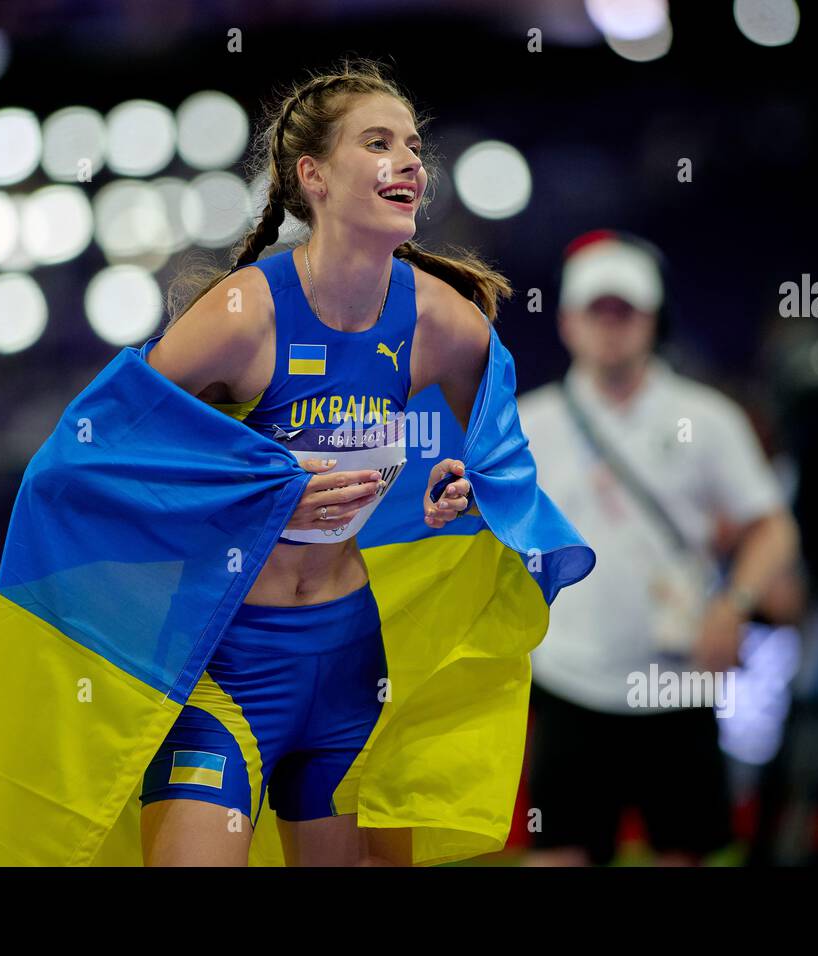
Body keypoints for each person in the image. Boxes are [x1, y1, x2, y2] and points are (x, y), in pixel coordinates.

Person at [137, 60, 515, 866]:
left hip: (350, 662)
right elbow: (110, 455)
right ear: (312, 176)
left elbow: (502, 463)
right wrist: (267, 499)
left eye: (414, 144)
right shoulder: (240, 314)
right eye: (378, 143)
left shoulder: (442, 320)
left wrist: (468, 490)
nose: (411, 160)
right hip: (224, 659)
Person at [517, 230, 799, 865]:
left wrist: (736, 602)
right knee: (558, 854)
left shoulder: (707, 418)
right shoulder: (529, 424)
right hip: (570, 682)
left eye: (627, 310)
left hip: (679, 685)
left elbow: (773, 525)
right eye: (597, 309)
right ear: (567, 321)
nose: (611, 326)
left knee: (684, 855)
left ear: (653, 318)